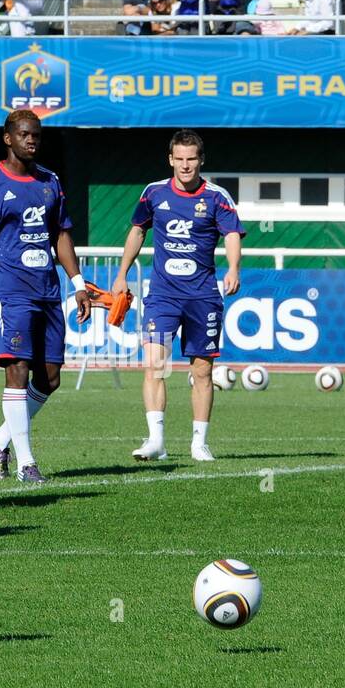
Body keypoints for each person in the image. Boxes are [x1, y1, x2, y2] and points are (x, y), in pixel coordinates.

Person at [0, 111, 90, 483]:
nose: (31, 140)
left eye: (36, 134)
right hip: (10, 291)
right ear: (8, 138)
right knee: (16, 370)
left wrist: (78, 282)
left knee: (50, 378)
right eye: (24, 134)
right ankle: (26, 464)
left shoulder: (50, 182)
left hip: (48, 291)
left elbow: (61, 235)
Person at [112, 129, 243, 463]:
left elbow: (231, 234)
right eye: (180, 159)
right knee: (154, 364)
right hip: (163, 296)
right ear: (170, 159)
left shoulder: (217, 197)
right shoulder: (154, 193)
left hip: (202, 297)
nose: (186, 166)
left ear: (201, 160)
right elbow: (138, 230)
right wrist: (122, 274)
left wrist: (233, 268)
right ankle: (156, 440)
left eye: (192, 159)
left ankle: (199, 443)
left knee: (201, 371)